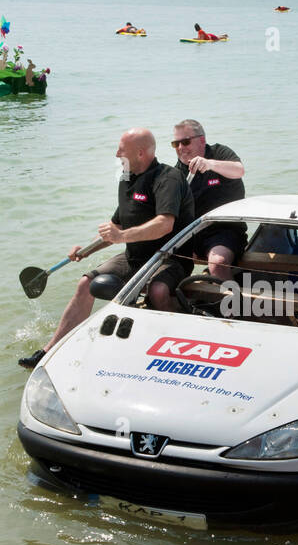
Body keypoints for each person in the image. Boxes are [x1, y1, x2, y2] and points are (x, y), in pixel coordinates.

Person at [20, 128, 195, 368]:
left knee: (158, 291)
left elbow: (165, 225)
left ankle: (183, 336)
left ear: (141, 153)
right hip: (134, 256)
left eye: (121, 150)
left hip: (170, 257)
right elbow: (117, 225)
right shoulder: (126, 177)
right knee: (85, 284)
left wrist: (121, 236)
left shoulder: (168, 178)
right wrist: (87, 250)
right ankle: (49, 351)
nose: (116, 154)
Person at [171, 120, 246, 280]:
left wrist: (210, 164)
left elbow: (239, 170)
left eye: (185, 142)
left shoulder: (219, 153)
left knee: (217, 263)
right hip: (192, 232)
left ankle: (234, 302)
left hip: (225, 229)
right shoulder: (176, 173)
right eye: (175, 144)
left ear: (202, 140)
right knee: (160, 258)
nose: (180, 148)